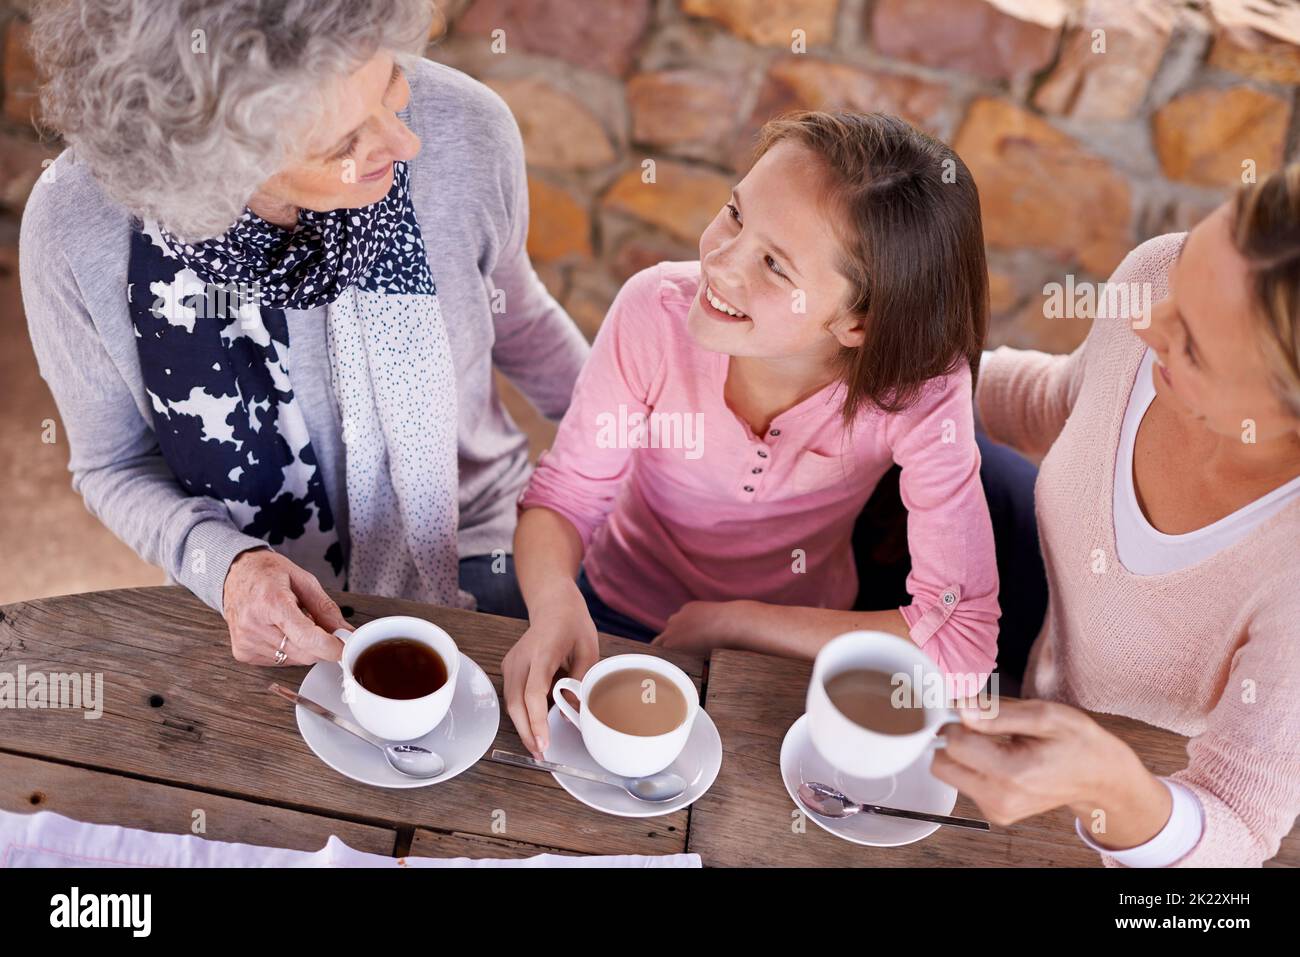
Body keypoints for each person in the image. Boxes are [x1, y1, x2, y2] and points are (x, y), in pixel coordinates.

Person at [20, 0, 587, 666]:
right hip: (257, 591)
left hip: (474, 537)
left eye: (391, 83)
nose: (405, 143)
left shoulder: (468, 129)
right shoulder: (74, 228)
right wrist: (229, 568)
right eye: (341, 143)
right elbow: (111, 465)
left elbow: (516, 316)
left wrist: (641, 433)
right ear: (217, 163)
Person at [503, 111, 1001, 757]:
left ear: (858, 323)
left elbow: (961, 642)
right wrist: (551, 601)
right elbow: (566, 496)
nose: (719, 261)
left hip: (785, 655)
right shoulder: (652, 310)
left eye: (774, 265)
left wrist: (736, 622)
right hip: (608, 616)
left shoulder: (920, 392)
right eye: (736, 213)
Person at [934, 164, 1300, 867]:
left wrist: (1113, 790)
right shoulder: (1158, 275)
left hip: (1114, 778)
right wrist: (894, 363)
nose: (1144, 319)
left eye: (1189, 344)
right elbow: (1064, 398)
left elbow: (1242, 829)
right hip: (1034, 620)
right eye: (1190, 257)